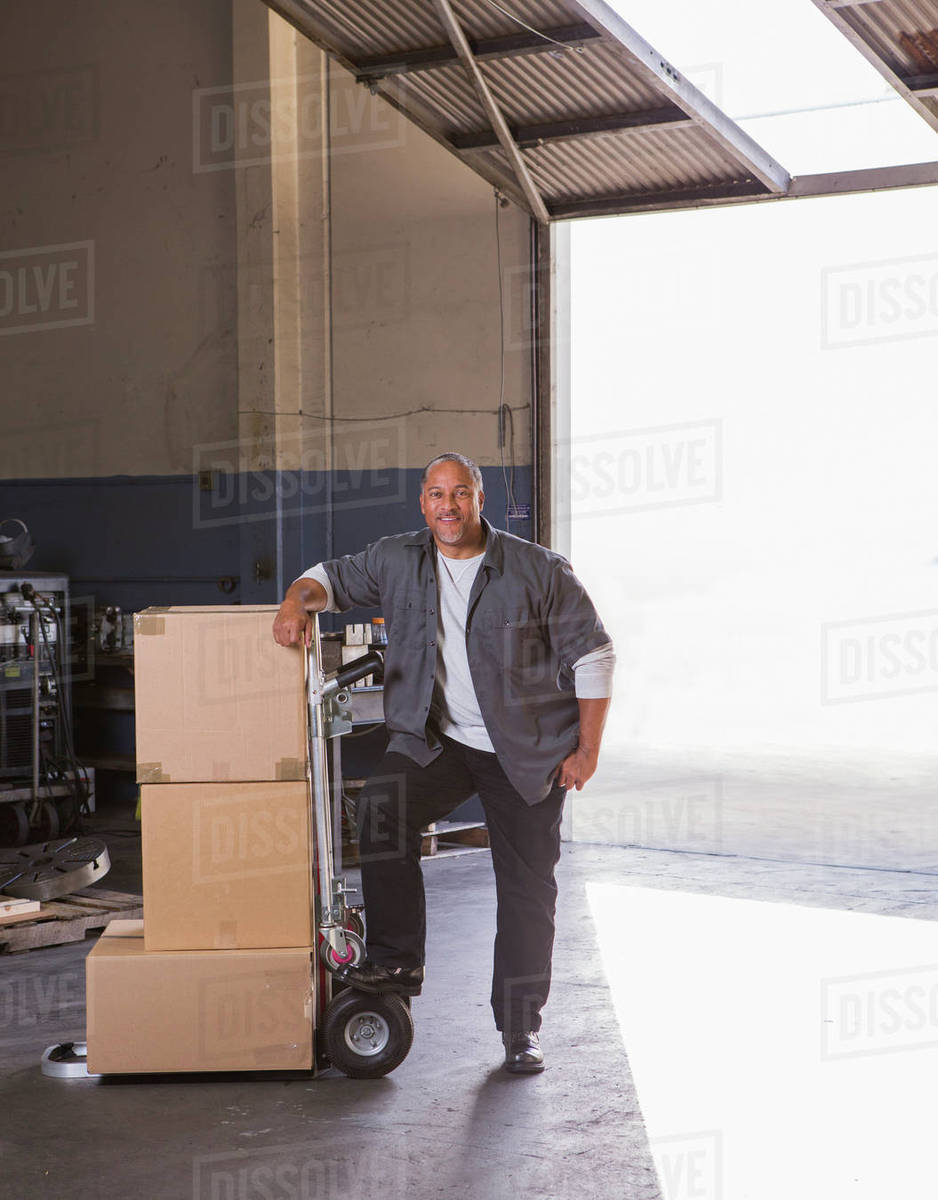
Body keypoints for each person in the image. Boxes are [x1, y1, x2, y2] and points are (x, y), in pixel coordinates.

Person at [273, 452, 614, 1073]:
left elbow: (594, 654)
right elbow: (327, 576)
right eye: (436, 495)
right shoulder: (399, 558)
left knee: (526, 890)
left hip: (526, 751)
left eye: (460, 494)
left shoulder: (537, 570)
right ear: (423, 503)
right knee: (381, 807)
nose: (448, 507)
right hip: (441, 742)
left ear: (479, 499)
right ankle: (398, 957)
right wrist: (297, 600)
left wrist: (586, 750)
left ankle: (520, 1032)